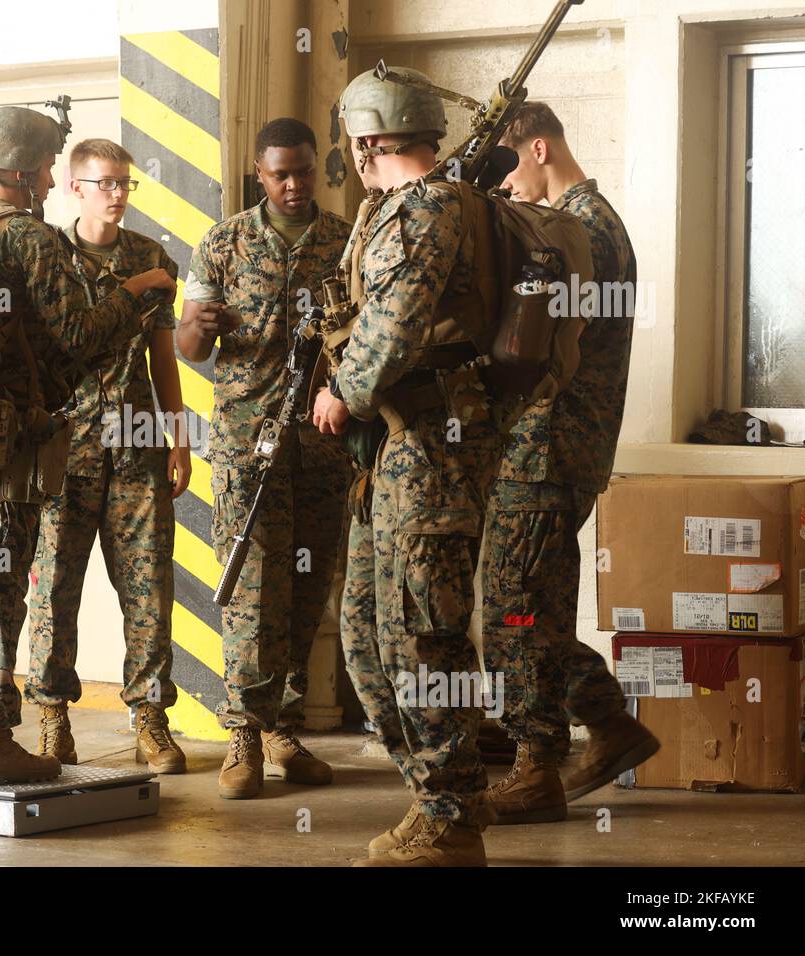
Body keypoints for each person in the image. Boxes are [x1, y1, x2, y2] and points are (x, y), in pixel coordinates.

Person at [0, 105, 176, 785]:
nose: (51, 177)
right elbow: (79, 334)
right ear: (22, 169)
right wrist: (133, 293)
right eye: (48, 165)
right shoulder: (29, 237)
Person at [312, 67, 501, 865]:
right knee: (366, 632)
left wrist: (342, 395)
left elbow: (390, 332)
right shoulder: (395, 211)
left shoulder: (427, 210)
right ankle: (431, 789)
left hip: (434, 453)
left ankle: (451, 814)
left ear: (366, 141)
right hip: (399, 454)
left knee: (425, 636)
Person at [481, 102, 656, 823]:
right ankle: (610, 725)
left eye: (508, 166)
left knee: (513, 613)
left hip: (546, 447)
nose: (505, 184)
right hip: (555, 447)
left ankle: (535, 764)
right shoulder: (592, 221)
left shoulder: (577, 229)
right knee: (537, 611)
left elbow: (530, 336)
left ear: (540, 148)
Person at [178, 118, 352, 800]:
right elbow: (188, 346)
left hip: (323, 443)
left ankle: (282, 726)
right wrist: (197, 326)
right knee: (251, 590)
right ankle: (243, 734)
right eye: (280, 173)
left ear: (318, 168)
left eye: (303, 171)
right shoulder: (223, 242)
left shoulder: (344, 241)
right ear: (259, 172)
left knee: (306, 591)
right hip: (247, 442)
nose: (293, 184)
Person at [25, 138, 188, 772]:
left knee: (149, 585)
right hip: (63, 448)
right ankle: (52, 718)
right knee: (56, 588)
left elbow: (163, 357)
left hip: (138, 446)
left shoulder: (152, 257)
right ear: (75, 188)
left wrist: (178, 439)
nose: (118, 194)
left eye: (125, 183)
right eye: (106, 183)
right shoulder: (49, 258)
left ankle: (150, 716)